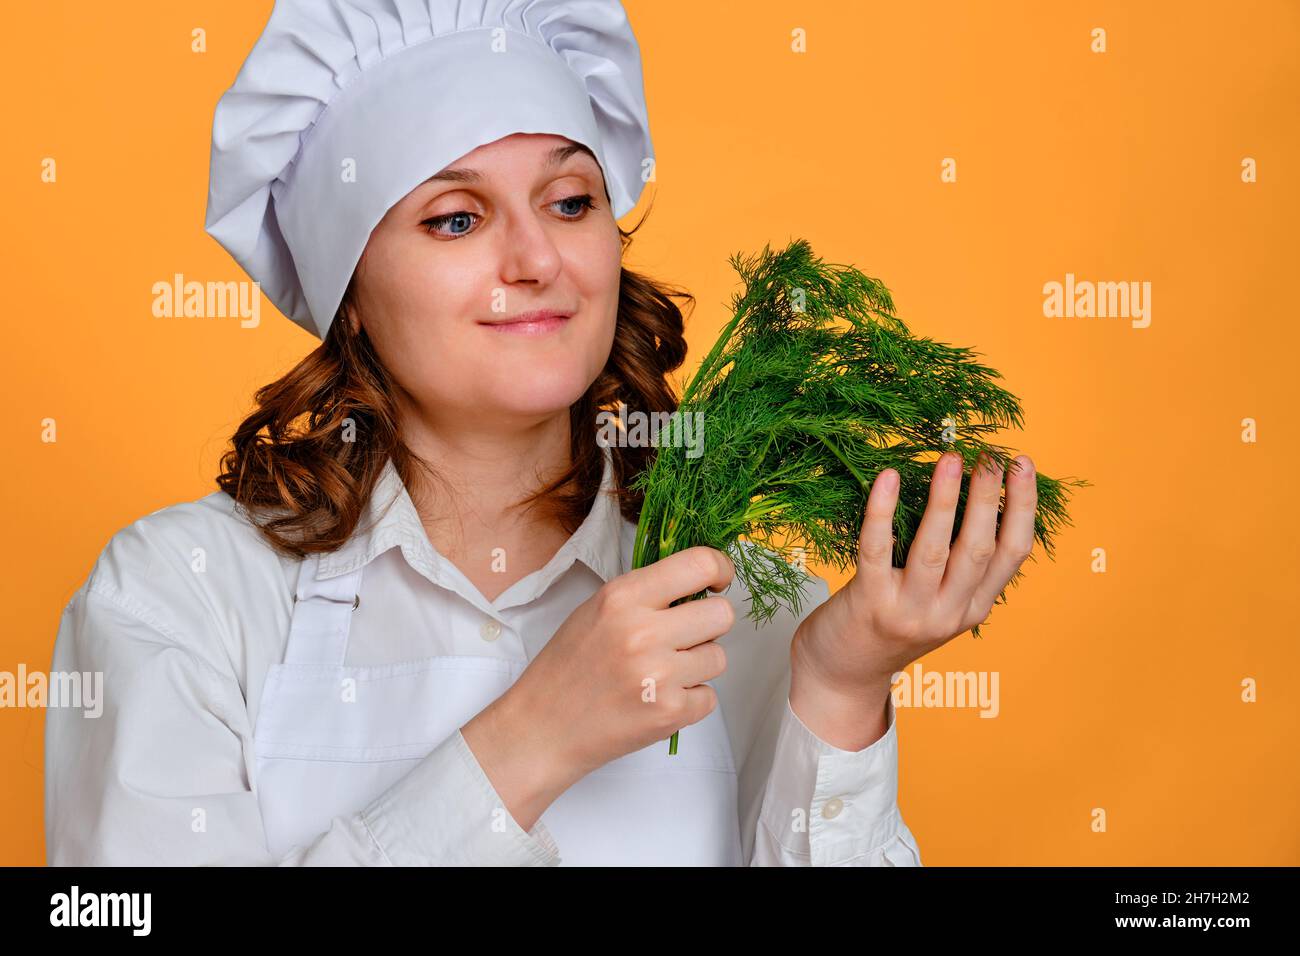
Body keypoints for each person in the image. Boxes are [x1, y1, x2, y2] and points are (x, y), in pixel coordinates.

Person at [44, 0, 1036, 866]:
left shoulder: (743, 600)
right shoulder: (181, 599)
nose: (535, 259)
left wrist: (840, 686)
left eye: (569, 202)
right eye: (453, 220)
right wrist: (527, 739)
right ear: (349, 292)